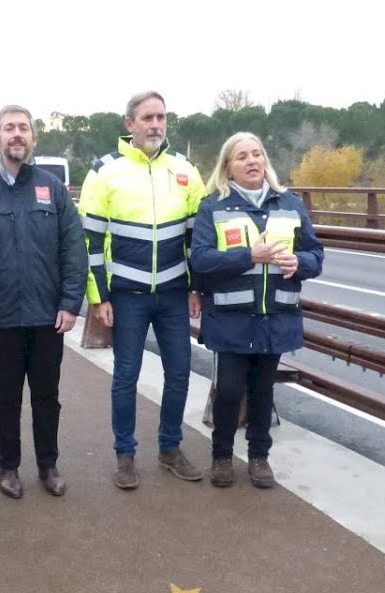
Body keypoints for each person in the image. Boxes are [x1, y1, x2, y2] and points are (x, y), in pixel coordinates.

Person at [0, 104, 87, 499]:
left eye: (23, 128)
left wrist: (69, 303)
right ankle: (8, 466)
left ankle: (48, 464)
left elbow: (73, 250)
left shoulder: (54, 191)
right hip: (2, 318)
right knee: (6, 396)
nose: (16, 134)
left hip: (48, 317)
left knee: (47, 396)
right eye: (9, 128)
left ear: (33, 138)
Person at [78, 90, 206, 490]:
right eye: (147, 118)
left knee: (180, 374)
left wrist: (195, 286)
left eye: (161, 117)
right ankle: (125, 455)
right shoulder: (104, 171)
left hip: (172, 294)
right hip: (127, 296)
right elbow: (90, 243)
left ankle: (170, 449)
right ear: (129, 124)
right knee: (126, 377)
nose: (155, 125)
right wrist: (98, 297)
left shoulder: (184, 169)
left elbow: (198, 236)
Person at [189, 132, 325, 488]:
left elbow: (316, 255)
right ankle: (221, 456)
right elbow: (201, 260)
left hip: (275, 317)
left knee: (264, 392)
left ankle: (259, 457)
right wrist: (249, 255)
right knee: (230, 391)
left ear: (265, 161)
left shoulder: (290, 205)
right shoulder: (213, 207)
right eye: (242, 157)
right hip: (231, 320)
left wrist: (301, 262)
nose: (252, 162)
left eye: (257, 154)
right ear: (228, 168)